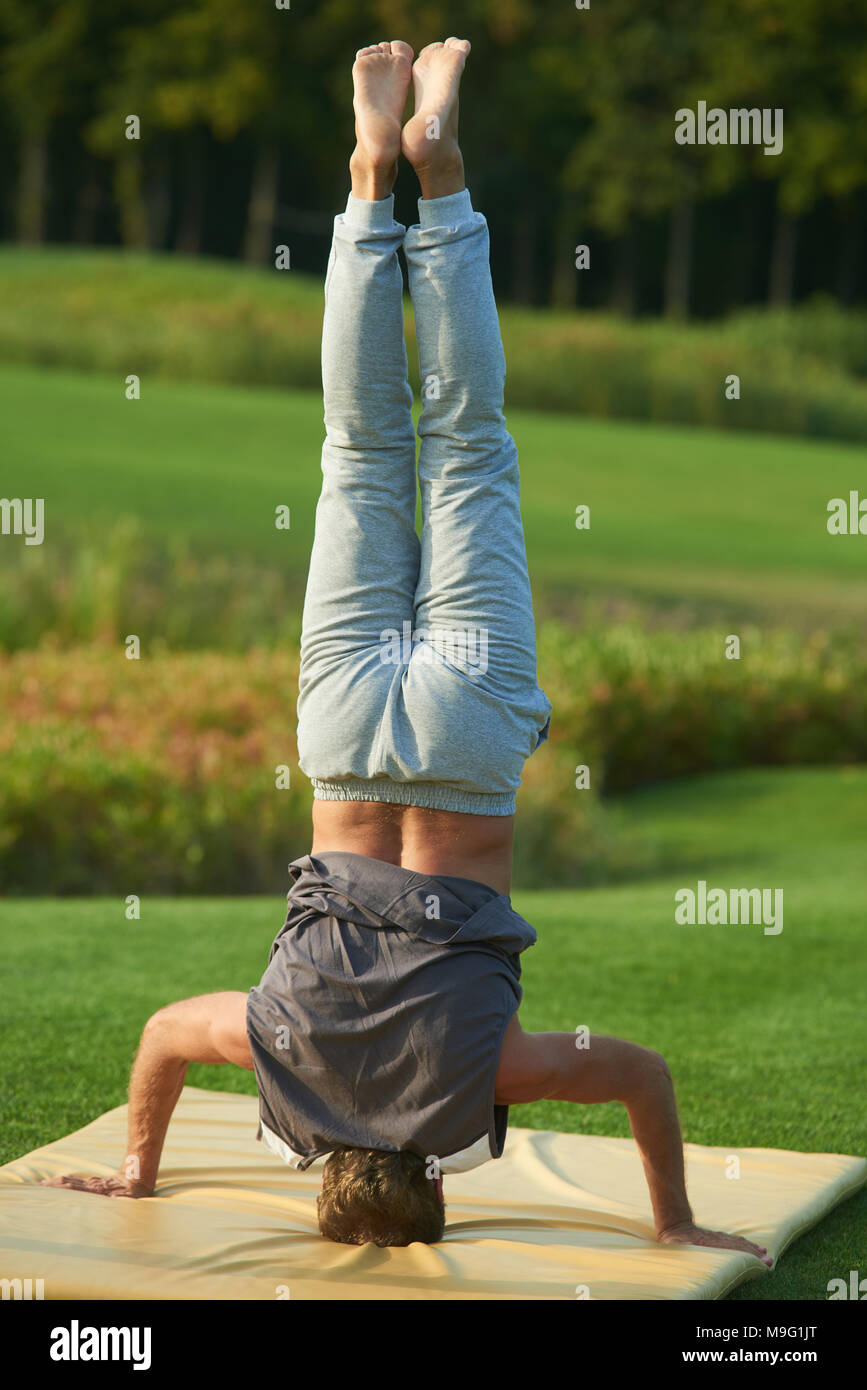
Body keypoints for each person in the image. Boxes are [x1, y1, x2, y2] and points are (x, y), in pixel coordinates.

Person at [43, 38, 772, 1269]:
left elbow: (640, 1076)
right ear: (326, 1161)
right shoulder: (283, 1052)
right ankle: (370, 173)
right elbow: (169, 1032)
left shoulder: (482, 1075)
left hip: (470, 743)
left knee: (470, 447)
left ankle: (440, 171)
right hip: (342, 743)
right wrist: (135, 1167)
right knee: (359, 451)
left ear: (433, 1166)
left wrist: (677, 1218)